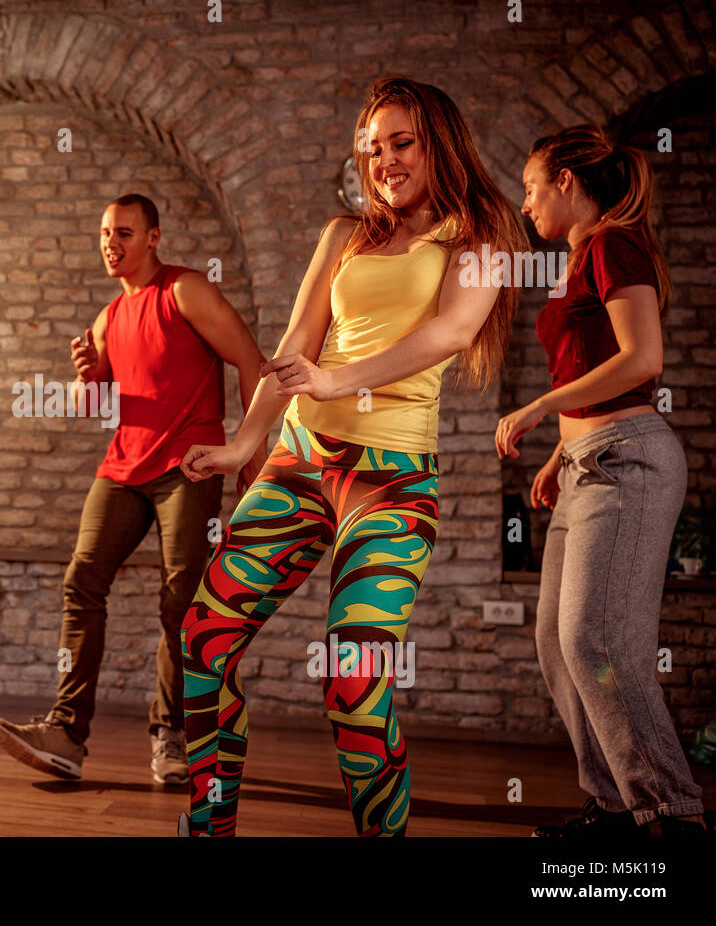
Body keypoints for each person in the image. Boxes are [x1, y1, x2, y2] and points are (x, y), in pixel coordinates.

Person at [178, 76, 527, 836]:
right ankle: (209, 821)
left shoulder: (481, 232)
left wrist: (336, 378)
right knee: (202, 639)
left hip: (390, 484)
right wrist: (246, 440)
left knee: (353, 687)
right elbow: (295, 348)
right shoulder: (346, 235)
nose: (384, 162)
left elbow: (451, 334)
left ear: (438, 140)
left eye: (401, 143)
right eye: (372, 149)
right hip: (300, 462)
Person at [0, 194, 269, 784]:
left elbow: (250, 360)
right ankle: (65, 733)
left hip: (187, 464)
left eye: (123, 232)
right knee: (82, 580)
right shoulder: (108, 317)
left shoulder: (185, 291)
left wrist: (252, 452)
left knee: (179, 599)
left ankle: (173, 737)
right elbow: (92, 407)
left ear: (153, 238)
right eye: (103, 233)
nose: (110, 242)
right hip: (123, 467)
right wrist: (84, 379)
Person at [498, 123, 708, 839]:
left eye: (531, 189)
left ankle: (675, 812)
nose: (526, 205)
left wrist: (540, 407)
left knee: (597, 640)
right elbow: (585, 367)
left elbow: (642, 359)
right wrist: (560, 454)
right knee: (557, 645)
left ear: (565, 181)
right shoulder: (578, 257)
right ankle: (616, 805)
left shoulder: (615, 243)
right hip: (588, 464)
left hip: (629, 460)